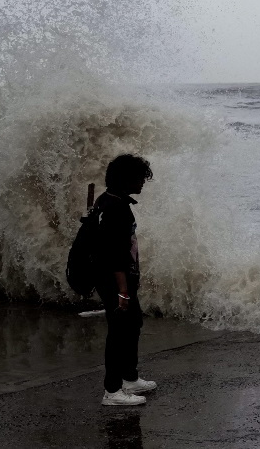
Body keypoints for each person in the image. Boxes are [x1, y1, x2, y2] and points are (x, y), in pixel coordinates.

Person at [93, 153, 156, 406]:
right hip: (115, 279)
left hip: (119, 277)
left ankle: (129, 377)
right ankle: (112, 390)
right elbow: (115, 256)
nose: (142, 183)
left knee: (133, 324)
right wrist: (123, 291)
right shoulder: (116, 209)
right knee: (118, 332)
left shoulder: (109, 200)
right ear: (126, 179)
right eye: (139, 178)